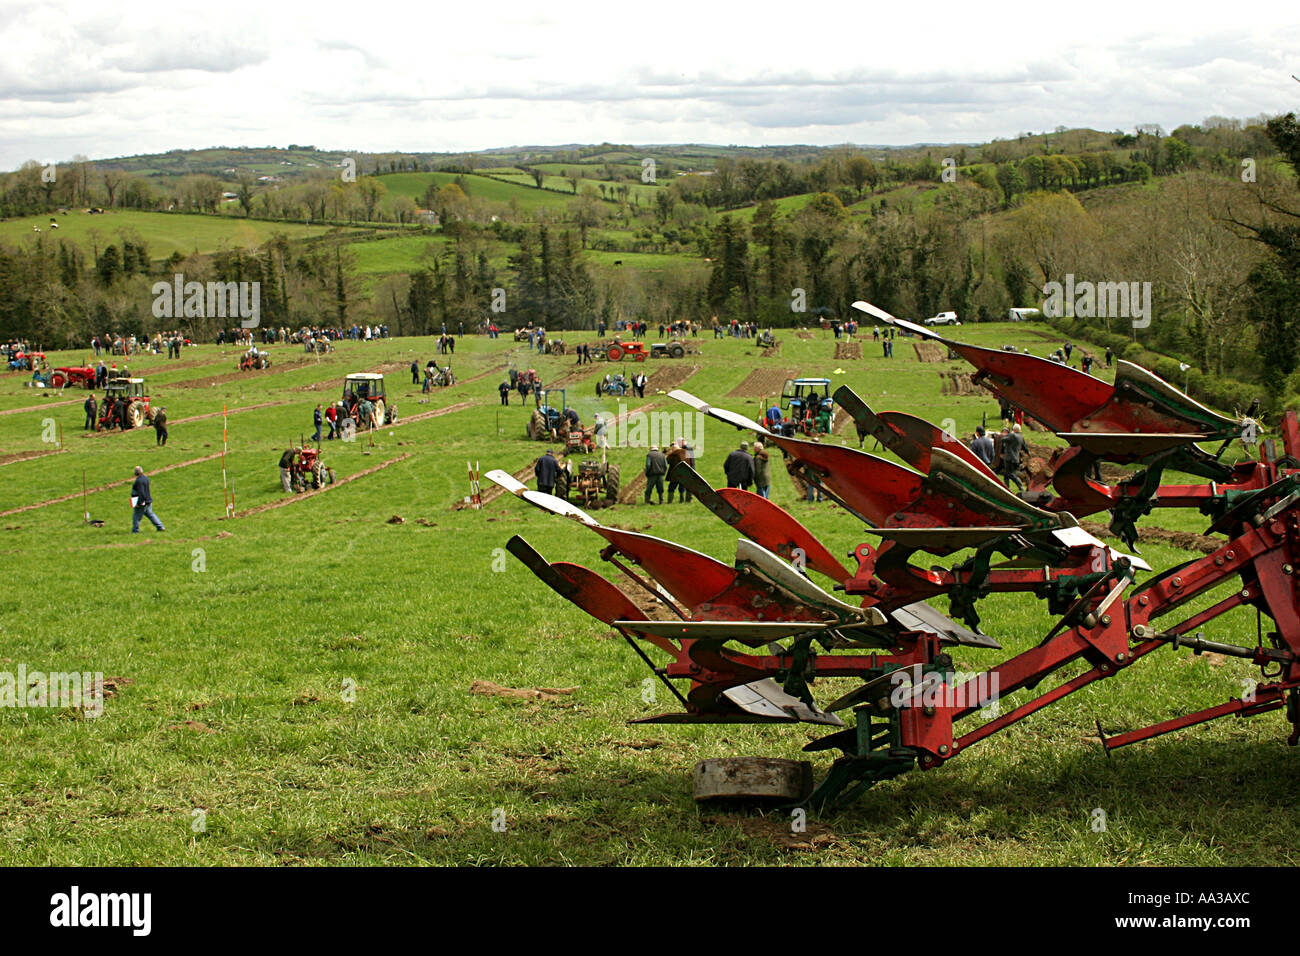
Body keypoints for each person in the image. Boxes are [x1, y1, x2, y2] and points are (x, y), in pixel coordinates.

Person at [130, 465, 165, 533]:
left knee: (136, 516)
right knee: (150, 514)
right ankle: (160, 526)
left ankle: (135, 530)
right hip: (148, 500)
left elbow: (141, 492)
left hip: (141, 501)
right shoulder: (146, 478)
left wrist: (139, 503)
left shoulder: (138, 481)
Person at [997, 424, 1026, 492]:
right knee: (1008, 472)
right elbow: (1024, 446)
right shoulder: (1021, 436)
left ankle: (1020, 485)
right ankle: (1007, 487)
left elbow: (1003, 439)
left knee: (1009, 473)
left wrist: (1007, 435)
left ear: (1014, 430)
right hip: (1016, 458)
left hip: (1009, 458)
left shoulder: (1012, 435)